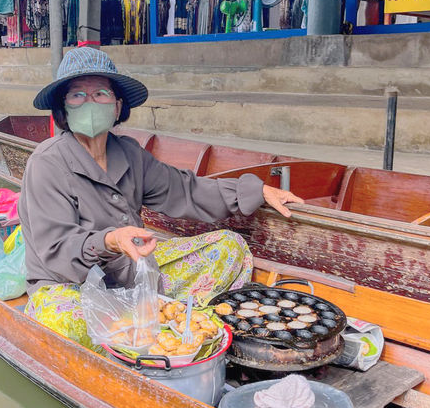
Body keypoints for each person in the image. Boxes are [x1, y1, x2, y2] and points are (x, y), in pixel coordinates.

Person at [19, 47, 303, 350]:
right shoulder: (47, 163)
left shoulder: (128, 153)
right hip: (71, 286)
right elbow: (57, 252)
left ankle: (165, 323)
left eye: (100, 93)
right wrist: (110, 241)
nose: (89, 102)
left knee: (229, 248)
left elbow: (184, 189)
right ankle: (149, 323)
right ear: (63, 109)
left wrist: (254, 191)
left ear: (116, 107)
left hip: (132, 276)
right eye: (77, 95)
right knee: (62, 321)